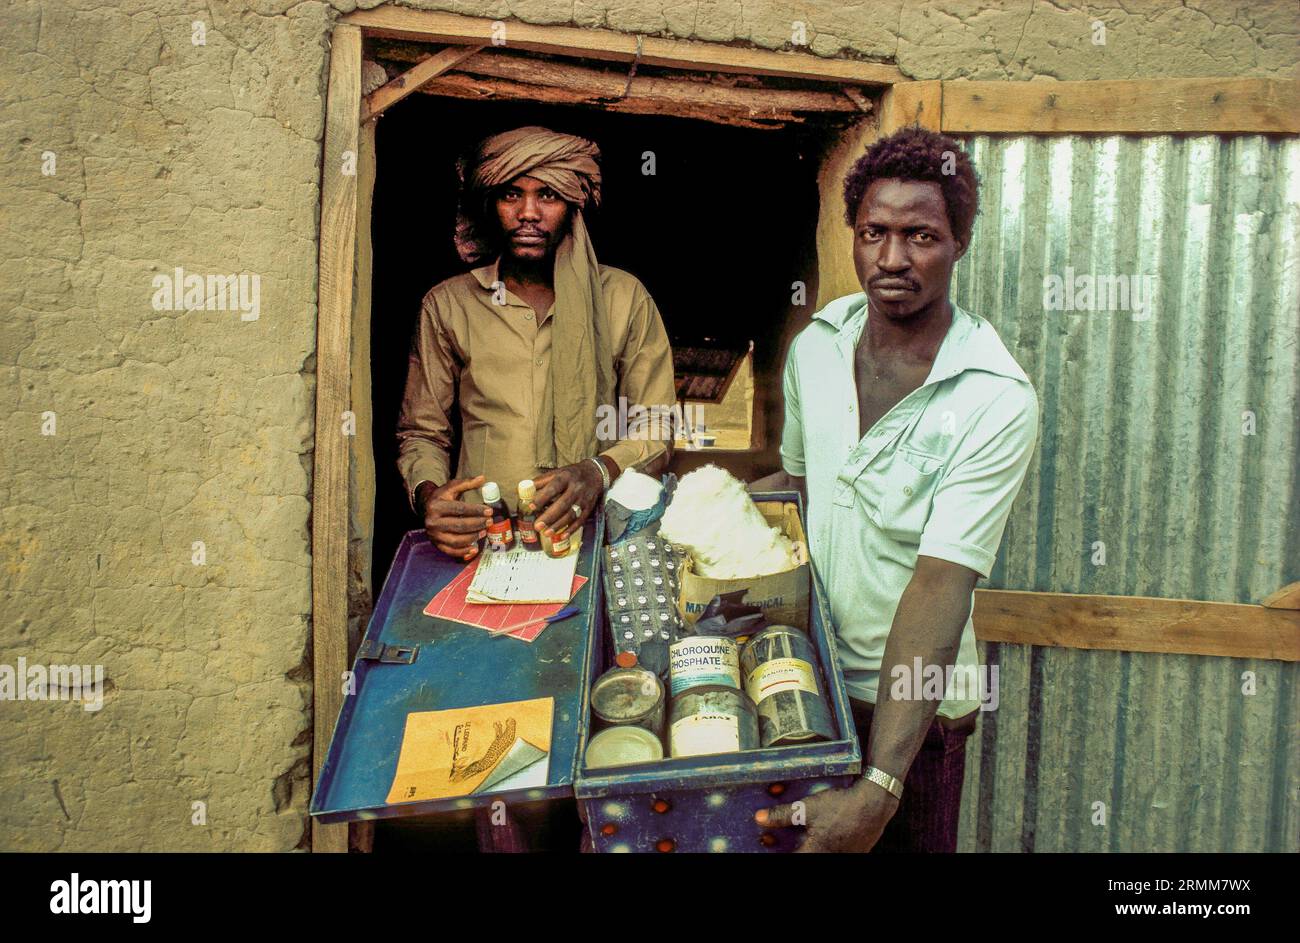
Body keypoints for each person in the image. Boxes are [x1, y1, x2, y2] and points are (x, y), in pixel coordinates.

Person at [751, 127, 1039, 852]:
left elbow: (941, 583)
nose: (891, 258)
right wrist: (685, 523)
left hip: (914, 718)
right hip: (812, 680)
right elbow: (799, 484)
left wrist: (881, 785)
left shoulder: (994, 395)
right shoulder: (816, 346)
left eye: (921, 235)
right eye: (874, 231)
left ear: (959, 243)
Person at [397, 126, 676, 559]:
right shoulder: (448, 304)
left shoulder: (624, 298)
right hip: (482, 543)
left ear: (573, 206)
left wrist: (598, 471)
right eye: (512, 194)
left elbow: (657, 425)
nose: (529, 212)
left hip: (599, 538)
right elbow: (422, 432)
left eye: (548, 195)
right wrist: (429, 497)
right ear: (491, 204)